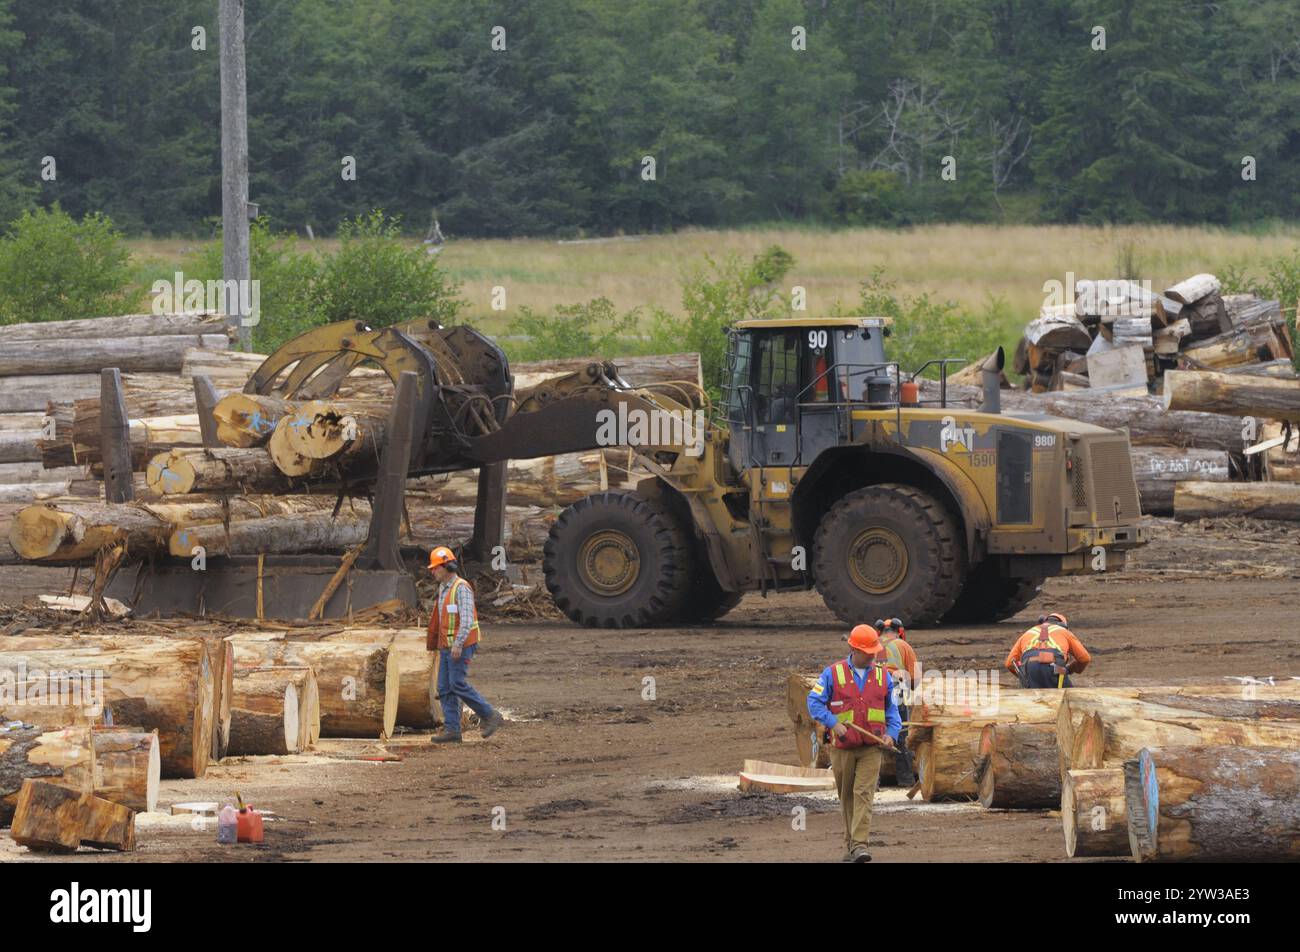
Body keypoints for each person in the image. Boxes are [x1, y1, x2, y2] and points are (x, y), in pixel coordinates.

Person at [807, 625, 902, 863]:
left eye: (873, 652)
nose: (872, 656)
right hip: (843, 748)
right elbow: (814, 703)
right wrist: (833, 723)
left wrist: (892, 733)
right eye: (867, 652)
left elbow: (892, 710)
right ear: (853, 649)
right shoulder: (832, 674)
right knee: (846, 795)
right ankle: (851, 845)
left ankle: (860, 844)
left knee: (863, 793)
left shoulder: (883, 676)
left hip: (872, 747)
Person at [426, 545, 504, 743]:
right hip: (447, 645)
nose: (433, 571)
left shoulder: (461, 588)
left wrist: (458, 644)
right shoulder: (443, 588)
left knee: (457, 683)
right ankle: (452, 730)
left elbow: (467, 620)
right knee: (444, 687)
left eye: (436, 568)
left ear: (447, 567)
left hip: (461, 645)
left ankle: (489, 714)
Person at [875, 617, 919, 787]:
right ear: (900, 631)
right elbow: (916, 680)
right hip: (896, 689)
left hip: (874, 690)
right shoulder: (904, 646)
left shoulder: (872, 646)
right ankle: (905, 779)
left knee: (874, 733)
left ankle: (873, 782)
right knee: (902, 734)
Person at [1005, 611, 1091, 688]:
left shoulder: (1028, 632)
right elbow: (1084, 659)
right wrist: (1069, 670)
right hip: (1055, 668)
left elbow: (1009, 663)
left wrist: (1024, 675)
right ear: (1063, 625)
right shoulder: (1064, 632)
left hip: (1029, 668)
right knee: (1068, 699)